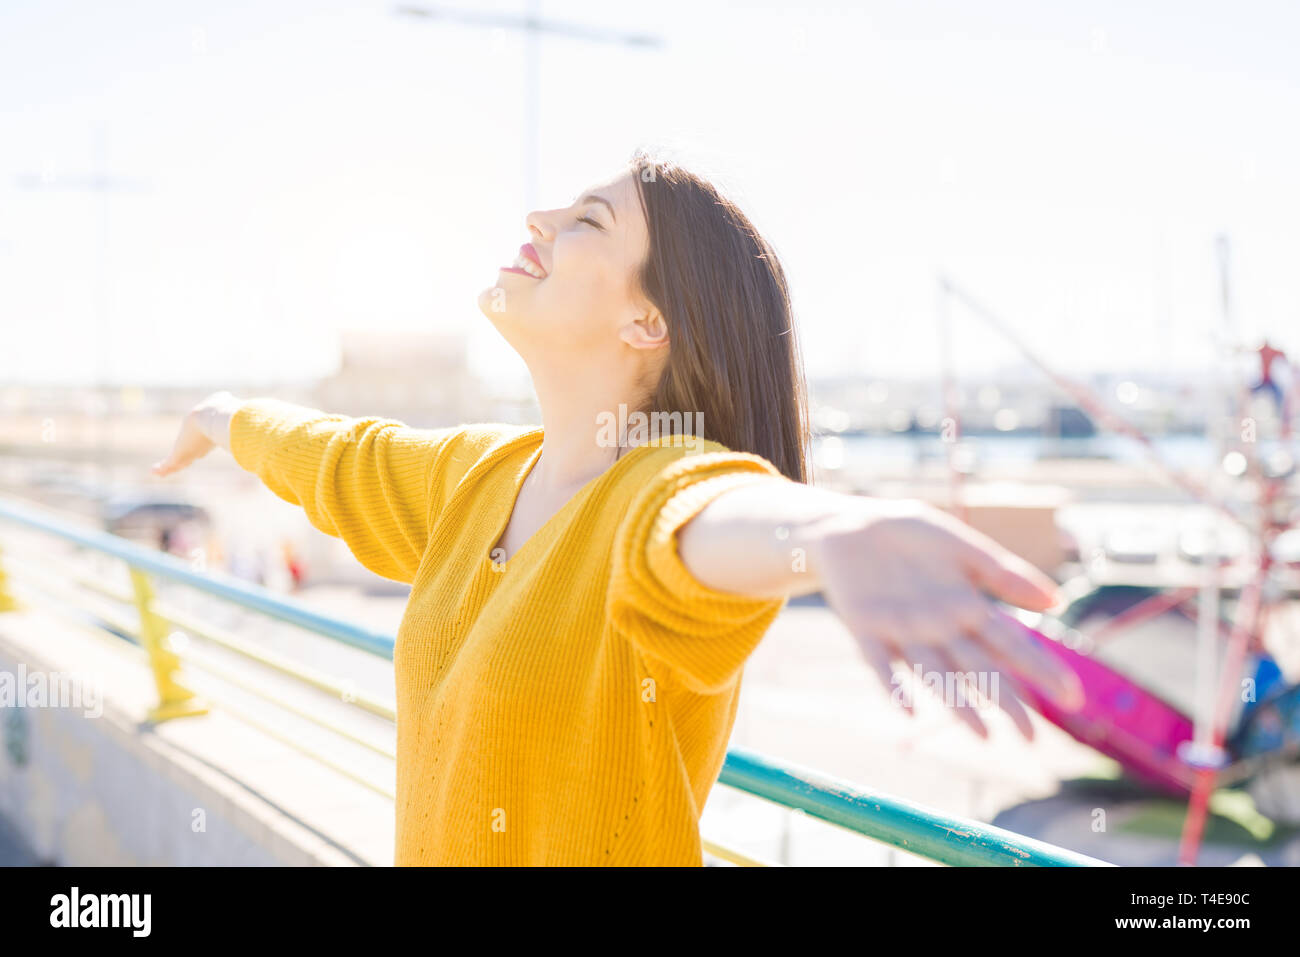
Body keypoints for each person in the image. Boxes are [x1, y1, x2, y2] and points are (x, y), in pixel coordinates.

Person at [150, 150, 1081, 866]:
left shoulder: (654, 488)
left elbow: (707, 513)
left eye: (588, 220)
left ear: (648, 323)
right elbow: (342, 458)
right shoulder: (480, 476)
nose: (541, 219)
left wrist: (827, 529)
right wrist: (222, 418)